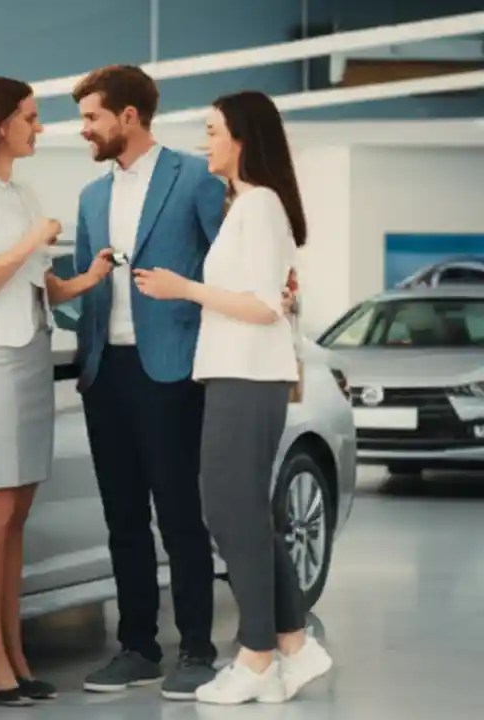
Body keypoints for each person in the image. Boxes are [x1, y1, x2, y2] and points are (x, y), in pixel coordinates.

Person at [134, 90, 334, 705]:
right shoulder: (244, 206)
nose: (206, 140)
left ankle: (257, 655)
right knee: (240, 510)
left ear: (243, 137)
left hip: (250, 375)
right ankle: (293, 645)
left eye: (214, 129)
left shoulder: (261, 207)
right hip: (235, 373)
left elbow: (263, 305)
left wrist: (183, 289)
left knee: (228, 510)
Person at [0, 75, 114, 707]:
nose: (39, 127)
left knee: (16, 513)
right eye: (31, 117)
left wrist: (90, 275)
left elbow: (44, 288)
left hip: (31, 357)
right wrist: (30, 242)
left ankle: (14, 650)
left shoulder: (20, 192)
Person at [69, 64, 227, 701]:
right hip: (107, 372)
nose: (84, 130)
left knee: (180, 514)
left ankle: (197, 647)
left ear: (127, 117)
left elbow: (224, 266)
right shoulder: (90, 196)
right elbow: (85, 285)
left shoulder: (194, 177)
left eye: (92, 118)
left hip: (172, 368)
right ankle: (137, 645)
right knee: (123, 515)